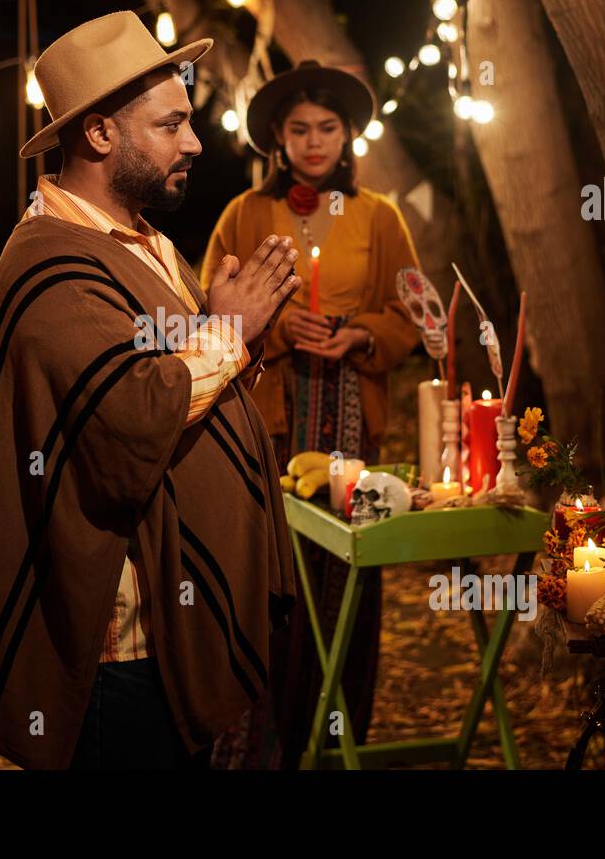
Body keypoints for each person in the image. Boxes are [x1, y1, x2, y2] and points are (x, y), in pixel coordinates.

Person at [0, 11, 299, 770]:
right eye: (171, 124)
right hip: (123, 650)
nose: (194, 141)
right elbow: (124, 421)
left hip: (164, 635)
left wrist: (220, 327)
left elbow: (181, 379)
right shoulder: (51, 262)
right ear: (99, 135)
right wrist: (229, 333)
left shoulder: (144, 240)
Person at [201, 60, 422, 768]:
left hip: (354, 418)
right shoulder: (244, 214)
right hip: (268, 420)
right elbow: (212, 302)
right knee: (269, 574)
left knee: (348, 574)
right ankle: (260, 741)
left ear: (348, 135)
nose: (315, 141)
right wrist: (280, 323)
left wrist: (362, 334)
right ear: (276, 137)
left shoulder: (379, 216)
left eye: (328, 128)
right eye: (299, 129)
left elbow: (411, 313)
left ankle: (337, 737)